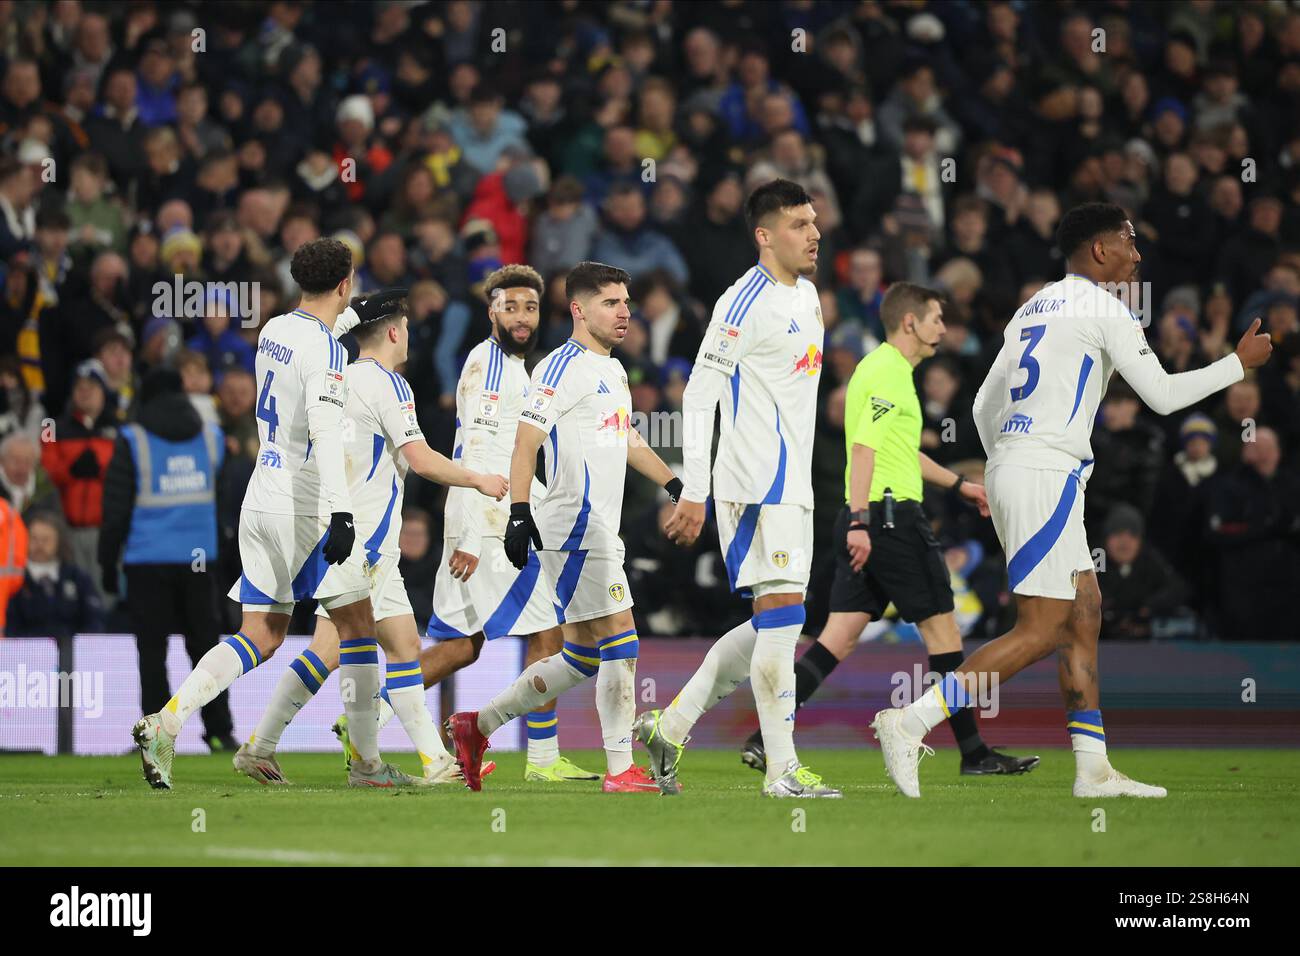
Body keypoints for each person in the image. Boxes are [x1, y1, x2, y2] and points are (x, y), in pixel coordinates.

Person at [872, 202, 1273, 798]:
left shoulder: (1031, 308)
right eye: (1129, 243)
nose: (1138, 255)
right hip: (1045, 471)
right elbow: (1161, 396)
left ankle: (1093, 768)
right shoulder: (1106, 308)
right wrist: (1236, 365)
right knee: (1041, 628)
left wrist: (1007, 458)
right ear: (1100, 250)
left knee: (1085, 607)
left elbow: (984, 406)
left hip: (1027, 466)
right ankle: (909, 721)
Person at [738, 282, 1039, 777]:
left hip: (870, 517)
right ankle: (974, 754)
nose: (943, 328)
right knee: (943, 632)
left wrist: (961, 485)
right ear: (910, 322)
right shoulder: (887, 373)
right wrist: (861, 521)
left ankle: (765, 738)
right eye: (936, 318)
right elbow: (864, 452)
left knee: (837, 637)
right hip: (888, 521)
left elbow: (901, 452)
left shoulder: (886, 370)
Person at [130, 238, 393, 789]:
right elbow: (323, 426)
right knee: (360, 628)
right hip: (308, 506)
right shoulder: (324, 348)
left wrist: (356, 306)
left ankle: (168, 720)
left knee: (262, 634)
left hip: (260, 497)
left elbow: (328, 321)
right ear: (344, 282)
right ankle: (367, 765)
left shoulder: (273, 329)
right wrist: (342, 515)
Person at [232, 295, 508, 786]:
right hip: (368, 543)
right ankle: (415, 764)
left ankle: (262, 745)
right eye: (406, 326)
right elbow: (420, 459)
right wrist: (479, 479)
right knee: (389, 650)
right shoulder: (388, 384)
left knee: (348, 648)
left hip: (330, 530)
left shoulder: (338, 375)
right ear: (396, 332)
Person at [635, 178, 841, 798]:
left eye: (814, 222)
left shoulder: (806, 297)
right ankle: (781, 772)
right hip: (752, 483)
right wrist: (692, 489)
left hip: (792, 485)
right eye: (799, 224)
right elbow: (699, 395)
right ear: (765, 235)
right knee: (781, 621)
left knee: (779, 621)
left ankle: (670, 727)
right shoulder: (741, 302)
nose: (814, 233)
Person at [444, 260, 682, 793]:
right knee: (622, 638)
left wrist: (674, 486)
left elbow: (627, 440)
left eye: (626, 302)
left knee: (578, 656)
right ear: (578, 309)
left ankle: (475, 725)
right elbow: (525, 442)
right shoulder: (560, 367)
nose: (625, 312)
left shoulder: (614, 369)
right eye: (610, 303)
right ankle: (621, 770)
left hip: (598, 526)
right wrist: (520, 512)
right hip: (575, 526)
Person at [361, 264, 601, 783]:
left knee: (459, 647)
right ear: (491, 309)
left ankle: (365, 718)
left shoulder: (512, 367)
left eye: (530, 307)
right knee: (548, 632)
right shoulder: (491, 368)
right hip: (488, 522)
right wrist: (470, 534)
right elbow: (476, 447)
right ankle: (541, 760)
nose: (520, 316)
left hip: (480, 517)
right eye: (509, 305)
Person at [98, 368, 237, 752]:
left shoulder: (132, 439)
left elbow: (115, 511)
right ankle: (220, 731)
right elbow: (224, 505)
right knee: (207, 648)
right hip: (199, 560)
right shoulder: (211, 439)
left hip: (147, 560)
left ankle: (156, 736)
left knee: (153, 652)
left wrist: (108, 565)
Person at [6, 511, 102, 640]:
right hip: (26, 654)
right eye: (34, 538)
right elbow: (10, 626)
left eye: (46, 539)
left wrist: (79, 648)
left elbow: (94, 619)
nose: (39, 544)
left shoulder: (77, 577)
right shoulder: (14, 579)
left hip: (70, 653)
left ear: (59, 541)